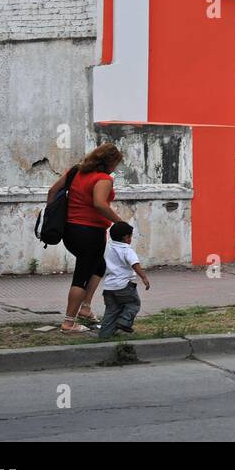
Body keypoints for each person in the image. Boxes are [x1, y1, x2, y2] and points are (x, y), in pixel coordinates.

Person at [46, 143, 124, 332]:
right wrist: (120, 223)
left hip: (70, 232)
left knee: (99, 266)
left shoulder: (75, 172)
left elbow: (52, 191)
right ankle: (68, 322)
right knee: (82, 275)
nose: (116, 168)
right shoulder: (103, 179)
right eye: (116, 163)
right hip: (90, 233)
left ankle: (86, 309)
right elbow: (100, 204)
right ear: (109, 162)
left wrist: (51, 216)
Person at [98, 221, 149, 339]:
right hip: (124, 286)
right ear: (126, 237)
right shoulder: (126, 249)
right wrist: (144, 277)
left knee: (111, 311)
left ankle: (104, 334)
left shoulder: (108, 247)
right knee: (133, 304)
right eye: (131, 236)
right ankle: (124, 322)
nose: (131, 239)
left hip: (109, 287)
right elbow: (135, 264)